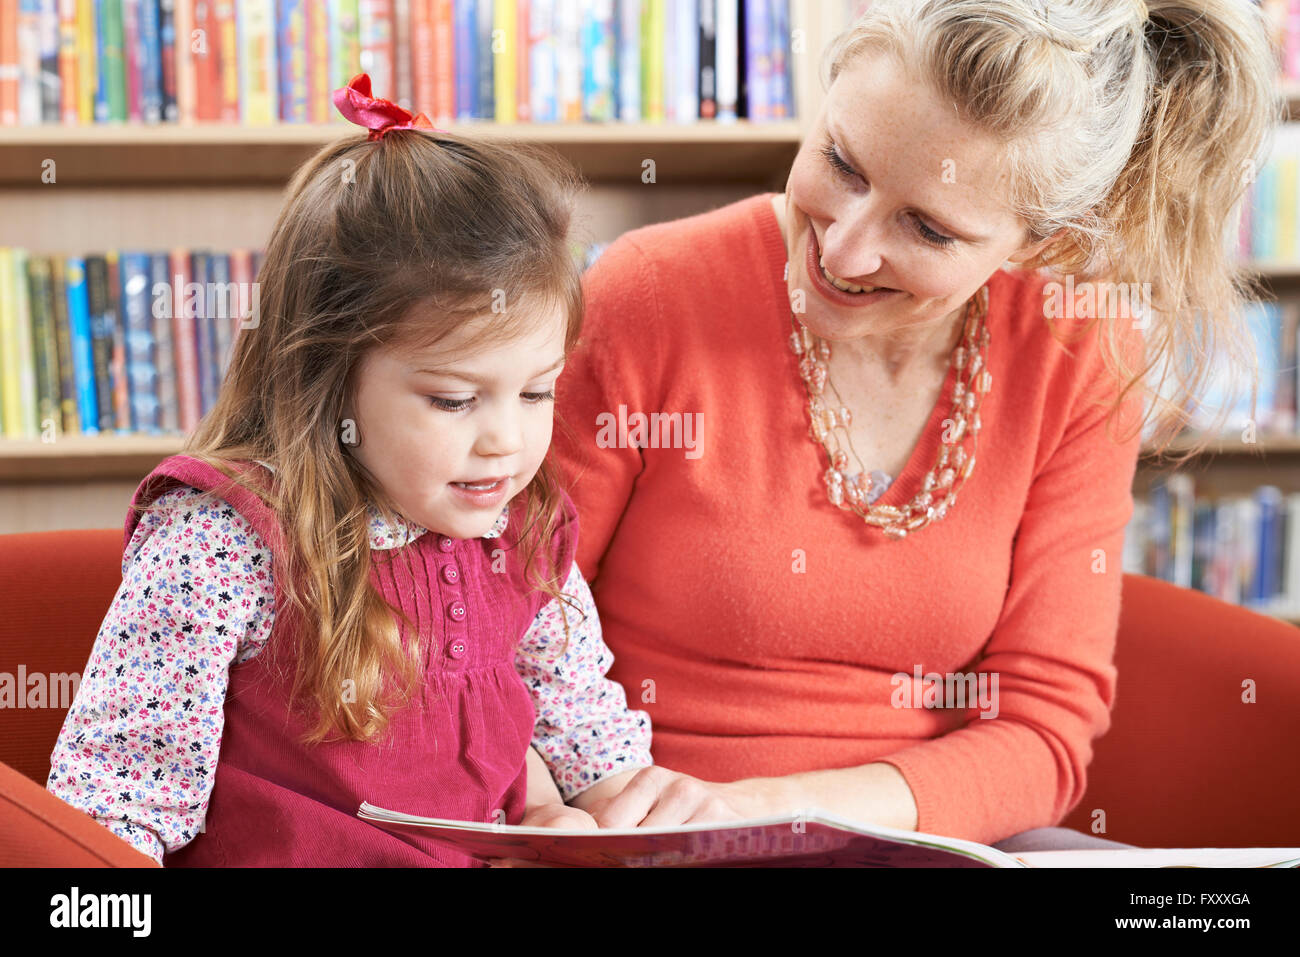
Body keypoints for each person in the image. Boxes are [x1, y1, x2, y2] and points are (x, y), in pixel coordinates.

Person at [546, 0, 1278, 852]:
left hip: (933, 841)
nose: (843, 252)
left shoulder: (1078, 341)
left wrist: (773, 809)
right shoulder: (649, 293)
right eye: (842, 163)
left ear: (1042, 246)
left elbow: (1044, 731)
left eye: (927, 227)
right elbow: (504, 626)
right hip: (642, 827)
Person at [45, 74, 663, 866]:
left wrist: (596, 827)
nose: (506, 441)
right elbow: (113, 813)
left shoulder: (524, 533)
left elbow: (600, 756)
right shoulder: (221, 544)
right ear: (328, 377)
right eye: (452, 400)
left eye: (538, 390)